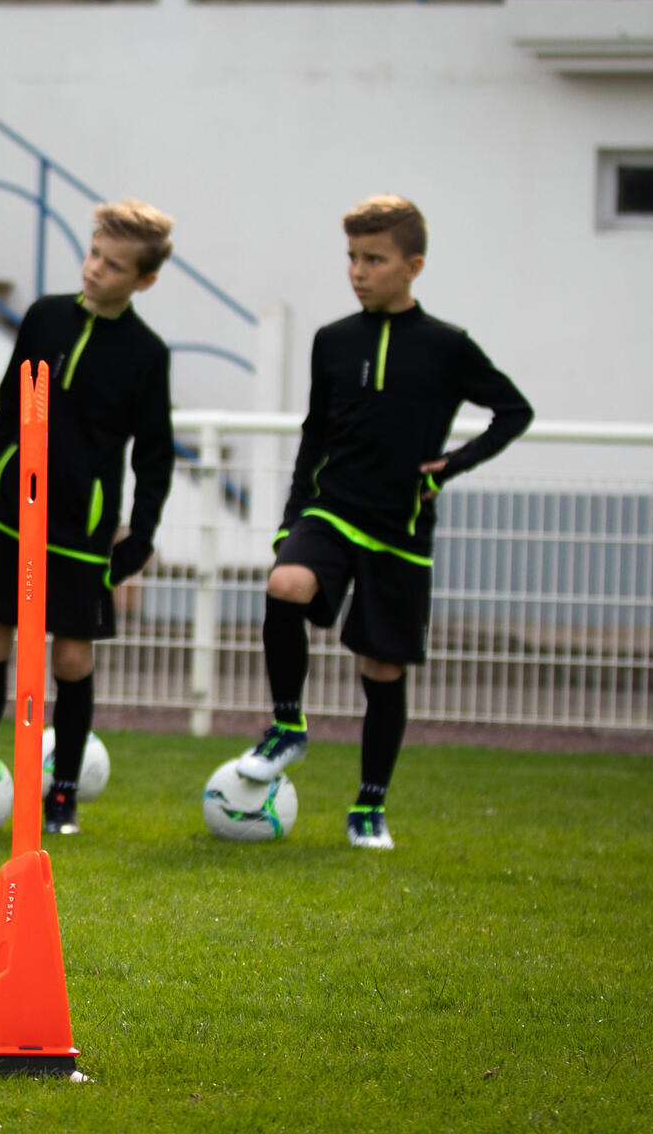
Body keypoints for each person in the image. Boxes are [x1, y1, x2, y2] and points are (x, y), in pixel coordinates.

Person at [236, 194, 533, 850]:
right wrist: (290, 522)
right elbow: (314, 436)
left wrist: (448, 466)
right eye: (351, 258)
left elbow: (514, 411)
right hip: (331, 511)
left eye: (374, 259)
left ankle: (369, 807)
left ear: (413, 265)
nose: (358, 271)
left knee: (383, 670)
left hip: (400, 529)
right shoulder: (333, 341)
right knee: (286, 584)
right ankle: (288, 726)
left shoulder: (449, 347)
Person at [0, 201, 176, 835]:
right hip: (11, 515)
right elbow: (7, 405)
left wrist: (140, 533)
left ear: (144, 280)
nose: (94, 271)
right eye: (93, 255)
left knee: (72, 659)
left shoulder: (147, 353)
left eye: (112, 266)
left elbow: (156, 452)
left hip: (83, 530)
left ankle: (63, 794)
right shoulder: (45, 316)